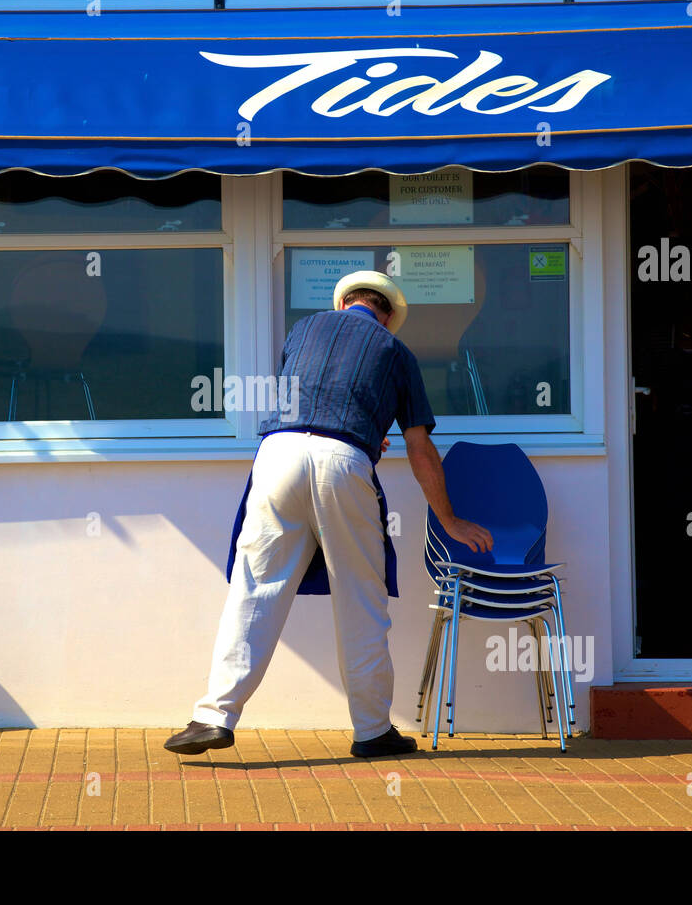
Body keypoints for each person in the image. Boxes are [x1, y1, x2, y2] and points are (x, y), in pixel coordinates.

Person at [165, 270, 494, 758]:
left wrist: (351, 433)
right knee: (360, 600)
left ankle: (212, 717)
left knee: (254, 588)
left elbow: (309, 405)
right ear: (387, 318)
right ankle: (372, 731)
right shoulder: (396, 352)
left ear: (344, 304)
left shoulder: (304, 330)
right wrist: (449, 519)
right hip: (343, 462)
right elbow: (420, 448)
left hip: (277, 453)